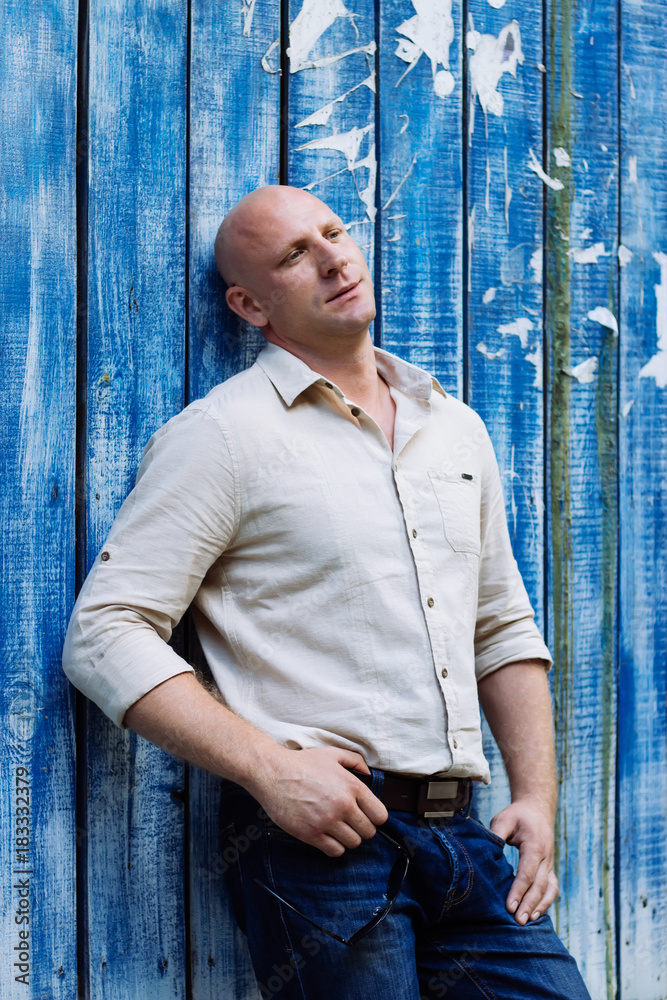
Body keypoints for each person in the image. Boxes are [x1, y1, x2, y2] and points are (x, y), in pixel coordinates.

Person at [63, 185, 591, 999]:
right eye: (294, 256)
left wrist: (535, 797)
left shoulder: (453, 428)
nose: (334, 260)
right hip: (326, 846)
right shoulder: (224, 435)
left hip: (468, 840)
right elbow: (105, 631)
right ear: (250, 306)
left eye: (334, 233)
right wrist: (270, 770)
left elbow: (499, 628)